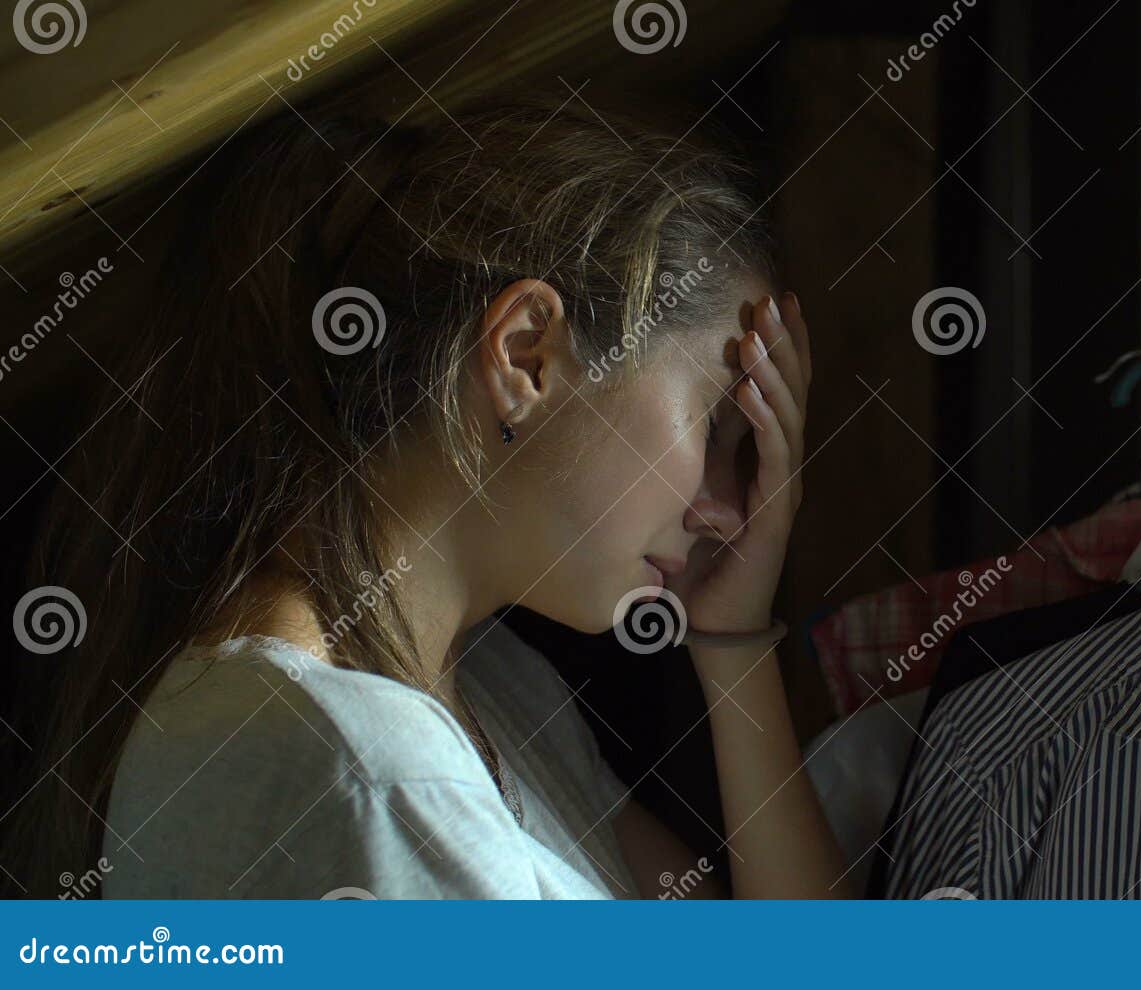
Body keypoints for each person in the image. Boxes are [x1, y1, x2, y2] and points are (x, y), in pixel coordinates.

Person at [0, 96, 847, 898]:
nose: (732, 515)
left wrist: (732, 643)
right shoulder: (368, 775)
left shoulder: (489, 686)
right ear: (525, 355)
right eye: (715, 427)